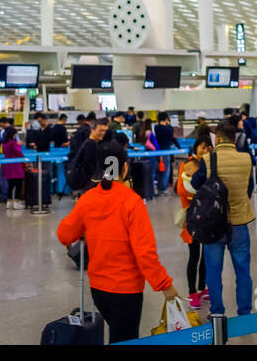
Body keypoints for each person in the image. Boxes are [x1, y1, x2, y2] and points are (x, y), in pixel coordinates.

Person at [56, 141, 178, 343]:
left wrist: (87, 228)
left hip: (98, 289)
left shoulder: (88, 199)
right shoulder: (132, 202)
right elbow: (144, 252)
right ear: (124, 167)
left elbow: (64, 235)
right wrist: (165, 285)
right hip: (126, 291)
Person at [191, 117, 255, 318]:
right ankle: (244, 312)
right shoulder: (246, 158)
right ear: (234, 139)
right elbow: (249, 188)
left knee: (213, 271)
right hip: (239, 223)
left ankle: (217, 312)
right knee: (243, 270)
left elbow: (195, 184)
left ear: (217, 139)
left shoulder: (209, 160)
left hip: (214, 224)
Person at [178, 136, 212, 310]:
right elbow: (181, 190)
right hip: (192, 218)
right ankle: (192, 291)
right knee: (194, 255)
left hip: (207, 217)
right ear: (196, 147)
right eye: (202, 147)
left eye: (208, 148)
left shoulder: (210, 165)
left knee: (206, 254)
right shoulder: (187, 165)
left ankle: (202, 287)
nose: (205, 150)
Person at [69, 117, 110, 196]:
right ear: (92, 130)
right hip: (87, 185)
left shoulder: (89, 143)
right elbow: (89, 167)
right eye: (100, 130)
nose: (103, 133)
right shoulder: (91, 145)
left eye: (104, 131)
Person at [1, 126, 26, 209]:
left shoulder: (4, 144)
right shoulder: (12, 143)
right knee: (18, 184)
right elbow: (19, 152)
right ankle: (17, 202)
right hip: (16, 167)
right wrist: (19, 145)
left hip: (8, 166)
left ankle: (9, 202)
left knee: (11, 185)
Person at [154, 114, 176, 194]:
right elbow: (172, 138)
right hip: (166, 151)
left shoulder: (156, 127)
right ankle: (162, 189)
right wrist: (179, 147)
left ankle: (160, 187)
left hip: (158, 151)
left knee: (160, 169)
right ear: (166, 119)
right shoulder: (167, 129)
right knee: (166, 170)